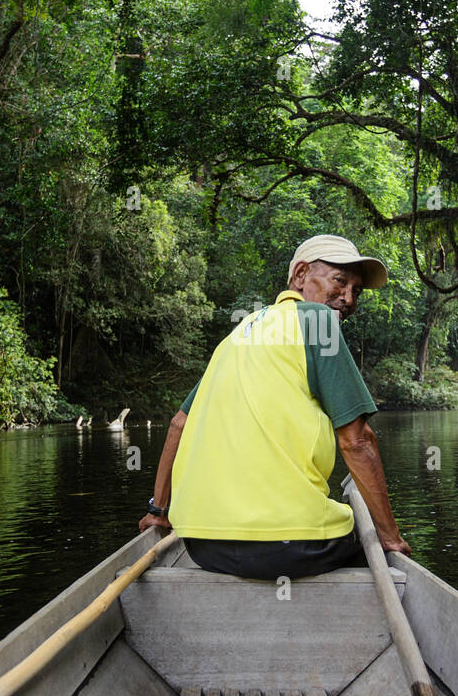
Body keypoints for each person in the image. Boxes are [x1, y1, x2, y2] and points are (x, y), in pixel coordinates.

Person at [137, 234, 410, 579]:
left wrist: (159, 511)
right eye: (340, 281)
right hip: (291, 546)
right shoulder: (319, 322)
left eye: (357, 291)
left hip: (204, 546)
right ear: (300, 276)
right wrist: (390, 538)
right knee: (365, 529)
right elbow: (356, 441)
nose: (349, 298)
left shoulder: (238, 335)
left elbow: (178, 424)